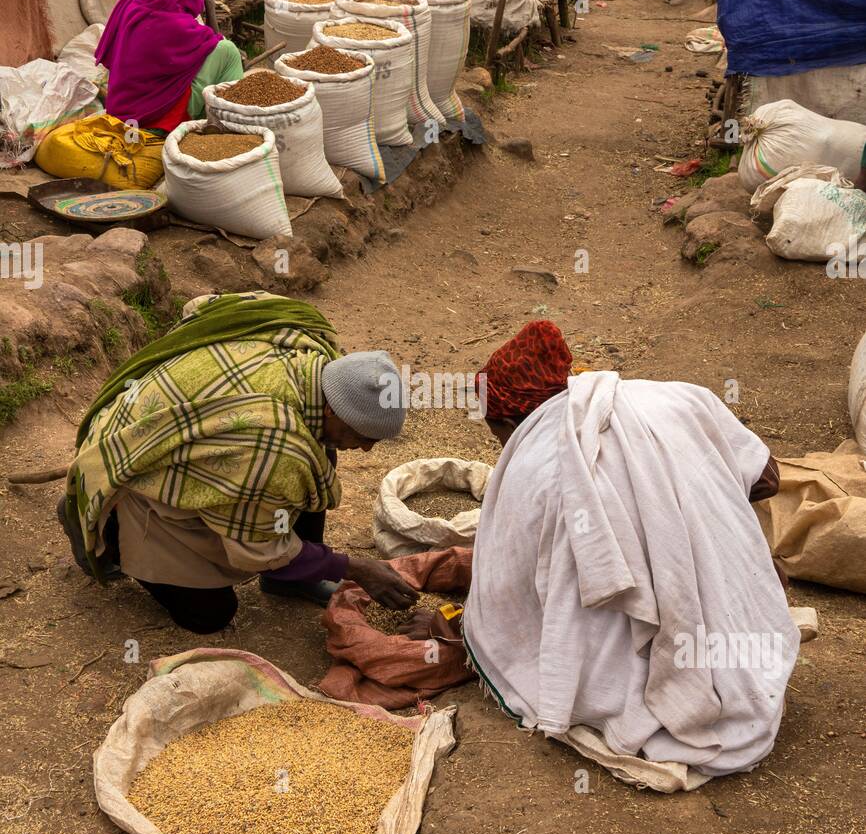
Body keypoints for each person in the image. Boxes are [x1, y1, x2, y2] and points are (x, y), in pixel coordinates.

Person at [403, 321, 798, 780]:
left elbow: (512, 596)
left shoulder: (532, 464)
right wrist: (713, 533)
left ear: (509, 419)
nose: (499, 443)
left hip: (646, 636)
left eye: (495, 430)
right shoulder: (677, 396)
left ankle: (654, 686)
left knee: (576, 606)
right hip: (739, 632)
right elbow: (767, 476)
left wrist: (454, 624)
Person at [59, 291, 419, 633]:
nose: (367, 451)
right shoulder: (275, 446)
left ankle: (289, 579)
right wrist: (354, 568)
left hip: (162, 434)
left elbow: (202, 307)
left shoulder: (308, 347)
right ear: (331, 408)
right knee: (210, 615)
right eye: (363, 438)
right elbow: (258, 547)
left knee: (317, 459)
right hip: (131, 473)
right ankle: (107, 534)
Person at [36, 0, 243, 187]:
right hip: (158, 117)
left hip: (122, 109)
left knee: (207, 55)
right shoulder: (176, 25)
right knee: (226, 51)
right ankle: (231, 125)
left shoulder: (131, 2)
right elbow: (209, 39)